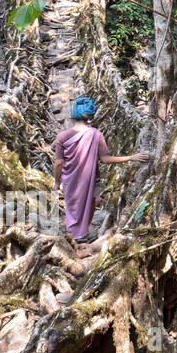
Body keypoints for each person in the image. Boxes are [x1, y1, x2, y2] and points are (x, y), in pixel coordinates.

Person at [52, 96, 146, 246]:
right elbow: (105, 159)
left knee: (72, 205)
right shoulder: (96, 135)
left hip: (69, 180)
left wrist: (57, 181)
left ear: (72, 114)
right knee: (92, 202)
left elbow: (59, 163)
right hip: (92, 179)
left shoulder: (62, 136)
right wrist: (130, 157)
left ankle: (76, 234)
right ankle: (83, 233)